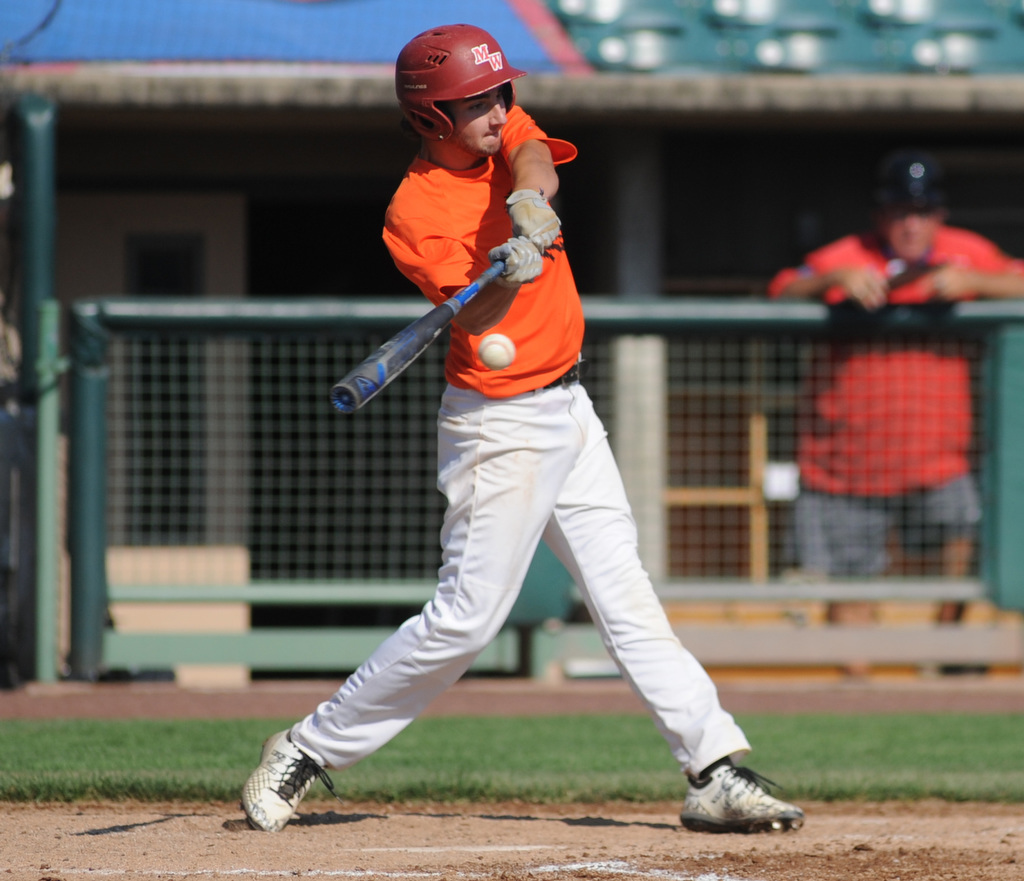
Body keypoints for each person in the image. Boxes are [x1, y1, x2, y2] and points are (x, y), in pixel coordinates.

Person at [241, 23, 804, 836]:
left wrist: (528, 203)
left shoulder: (505, 134)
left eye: (501, 93)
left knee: (625, 594)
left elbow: (535, 154)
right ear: (430, 116)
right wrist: (505, 273)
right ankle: (306, 746)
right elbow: (478, 318)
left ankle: (712, 768)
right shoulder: (414, 211)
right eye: (477, 102)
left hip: (570, 406)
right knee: (465, 619)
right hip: (498, 426)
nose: (498, 110)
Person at [769, 149, 1024, 631]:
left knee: (965, 549)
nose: (911, 225)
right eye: (900, 212)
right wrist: (834, 280)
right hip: (846, 466)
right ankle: (861, 677)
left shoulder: (965, 251)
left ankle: (943, 656)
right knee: (849, 596)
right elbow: (782, 290)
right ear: (880, 215)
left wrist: (974, 281)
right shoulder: (848, 255)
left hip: (936, 460)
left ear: (939, 215)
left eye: (922, 213)